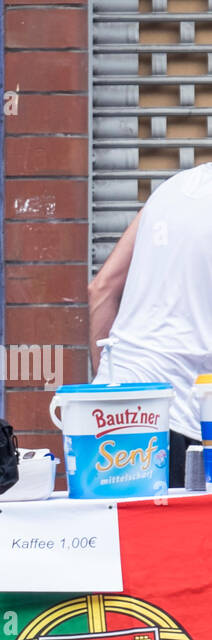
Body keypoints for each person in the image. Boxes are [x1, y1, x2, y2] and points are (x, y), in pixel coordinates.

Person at [88, 163, 212, 485]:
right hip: (184, 419)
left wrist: (113, 384)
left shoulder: (172, 189)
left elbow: (100, 289)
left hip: (111, 409)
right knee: (184, 535)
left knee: (121, 533)